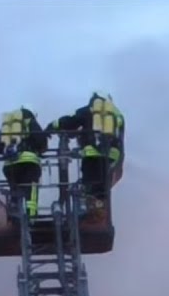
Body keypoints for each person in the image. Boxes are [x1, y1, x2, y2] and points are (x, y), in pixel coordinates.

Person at [48, 92, 125, 230]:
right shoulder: (117, 115)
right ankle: (99, 214)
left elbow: (70, 122)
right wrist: (119, 163)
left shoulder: (87, 111)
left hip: (92, 154)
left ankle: (88, 212)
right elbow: (120, 139)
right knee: (102, 188)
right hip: (111, 156)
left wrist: (54, 125)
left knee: (89, 184)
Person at [0, 106, 49, 232]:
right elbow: (41, 141)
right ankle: (31, 218)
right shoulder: (31, 122)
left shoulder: (7, 126)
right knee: (31, 190)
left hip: (10, 166)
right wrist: (40, 149)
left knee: (14, 190)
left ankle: (14, 217)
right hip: (29, 162)